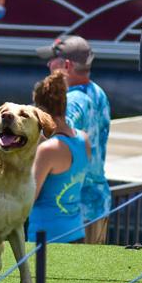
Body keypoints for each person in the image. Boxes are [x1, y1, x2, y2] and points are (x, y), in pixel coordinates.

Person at [37, 35, 111, 244]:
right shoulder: (99, 92)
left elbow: (55, 134)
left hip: (72, 209)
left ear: (67, 65)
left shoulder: (72, 101)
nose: (48, 64)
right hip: (98, 202)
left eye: (53, 60)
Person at [28, 71, 89, 244]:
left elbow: (29, 197)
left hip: (47, 238)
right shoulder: (84, 139)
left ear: (41, 111)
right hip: (76, 233)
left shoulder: (48, 150)